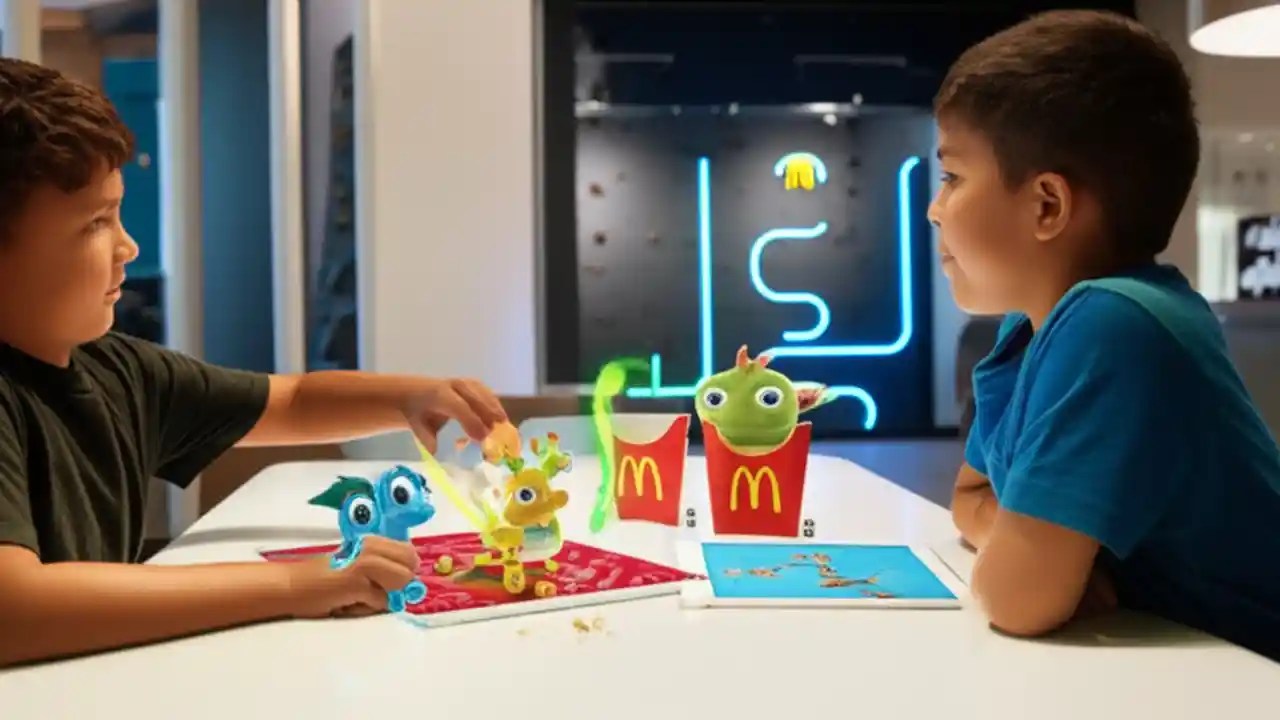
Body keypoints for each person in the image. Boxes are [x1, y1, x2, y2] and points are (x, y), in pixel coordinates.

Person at [0, 58, 511, 667]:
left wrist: (414, 398)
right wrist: (296, 583)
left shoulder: (117, 372)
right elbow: (13, 608)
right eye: (95, 223)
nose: (127, 246)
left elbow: (289, 402)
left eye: (118, 214)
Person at [933, 10, 1280, 660]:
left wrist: (1033, 565)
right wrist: (1055, 563)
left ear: (1047, 205)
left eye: (952, 177)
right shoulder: (1030, 328)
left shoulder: (1112, 324)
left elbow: (1017, 600)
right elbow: (968, 498)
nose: (934, 208)